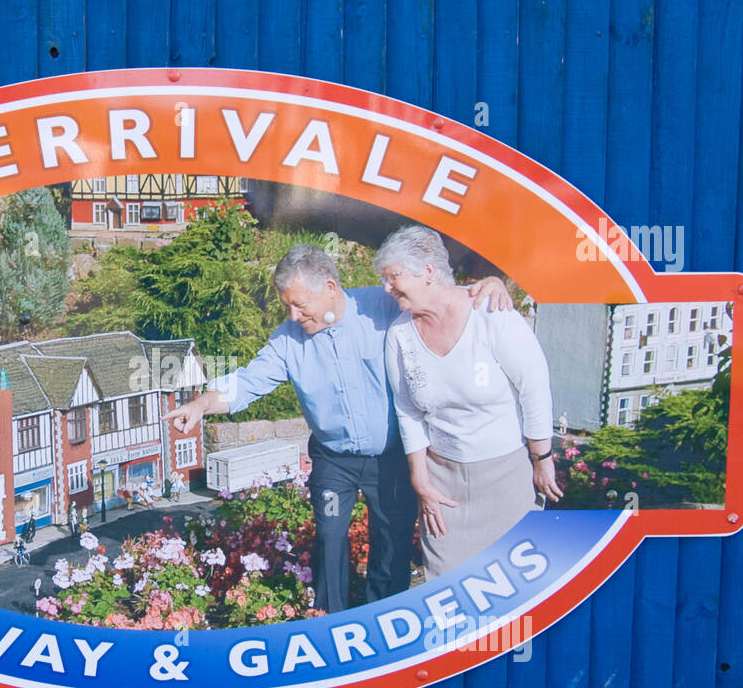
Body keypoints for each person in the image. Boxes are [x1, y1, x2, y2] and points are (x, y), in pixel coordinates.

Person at [164, 242, 510, 614]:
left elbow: (433, 297)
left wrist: (487, 285)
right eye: (287, 306)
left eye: (300, 305)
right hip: (333, 460)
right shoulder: (287, 341)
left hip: (391, 457)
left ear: (330, 288)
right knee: (330, 538)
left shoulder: (380, 306)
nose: (293, 315)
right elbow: (247, 382)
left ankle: (385, 614)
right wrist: (201, 404)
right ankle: (330, 616)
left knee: (390, 541)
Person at [377, 224, 562, 578]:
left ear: (428, 271)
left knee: (511, 593)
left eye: (393, 278)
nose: (387, 288)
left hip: (506, 482)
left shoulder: (490, 312)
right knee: (444, 592)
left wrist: (542, 459)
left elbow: (534, 387)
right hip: (443, 487)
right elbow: (408, 411)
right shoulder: (399, 334)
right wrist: (421, 480)